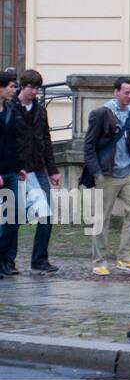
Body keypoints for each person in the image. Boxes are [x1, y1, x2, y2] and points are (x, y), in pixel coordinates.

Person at [83, 77, 130, 276]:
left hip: (128, 171)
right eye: (126, 92)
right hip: (107, 173)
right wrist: (96, 172)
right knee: (101, 218)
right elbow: (89, 145)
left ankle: (127, 258)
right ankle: (99, 261)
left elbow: (128, 141)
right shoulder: (100, 113)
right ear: (116, 92)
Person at [15, 70, 60, 274]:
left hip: (38, 168)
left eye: (37, 88)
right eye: (31, 87)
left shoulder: (40, 110)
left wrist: (53, 170)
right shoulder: (10, 107)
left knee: (46, 215)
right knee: (13, 217)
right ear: (22, 86)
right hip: (17, 169)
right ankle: (7, 260)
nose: (34, 91)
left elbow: (46, 140)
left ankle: (39, 259)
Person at [0, 73, 18, 277]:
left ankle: (3, 259)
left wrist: (19, 166)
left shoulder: (11, 109)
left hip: (11, 171)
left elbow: (13, 141)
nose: (14, 90)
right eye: (12, 87)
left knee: (13, 217)